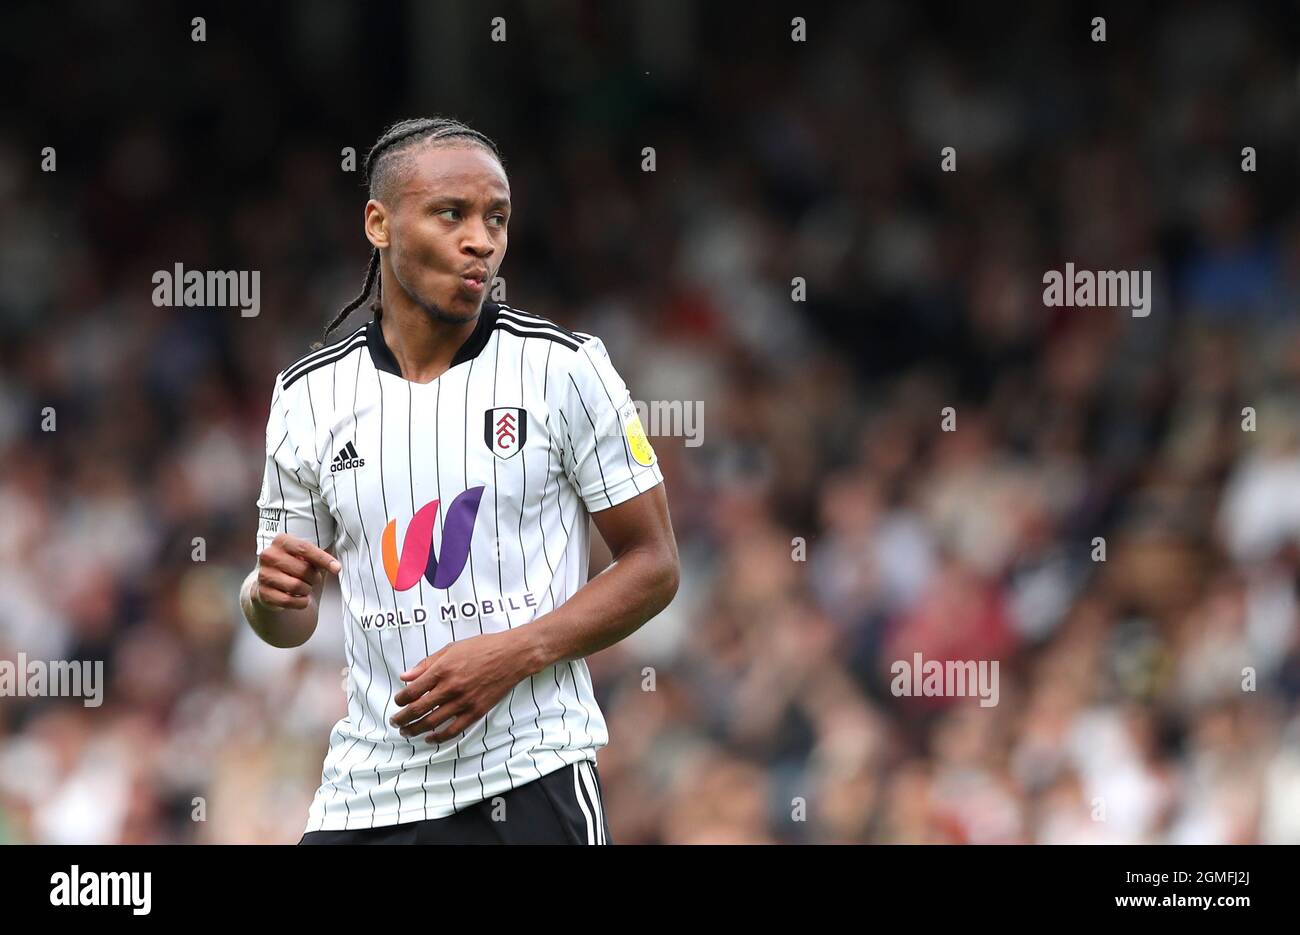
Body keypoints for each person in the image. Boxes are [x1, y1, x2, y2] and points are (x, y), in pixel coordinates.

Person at [239, 117, 680, 844]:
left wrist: (516, 652)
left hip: (530, 775)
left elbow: (655, 563)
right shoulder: (306, 396)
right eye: (453, 213)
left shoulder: (564, 369)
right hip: (366, 792)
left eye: (496, 217)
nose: (482, 239)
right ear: (378, 223)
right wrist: (265, 594)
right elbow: (286, 624)